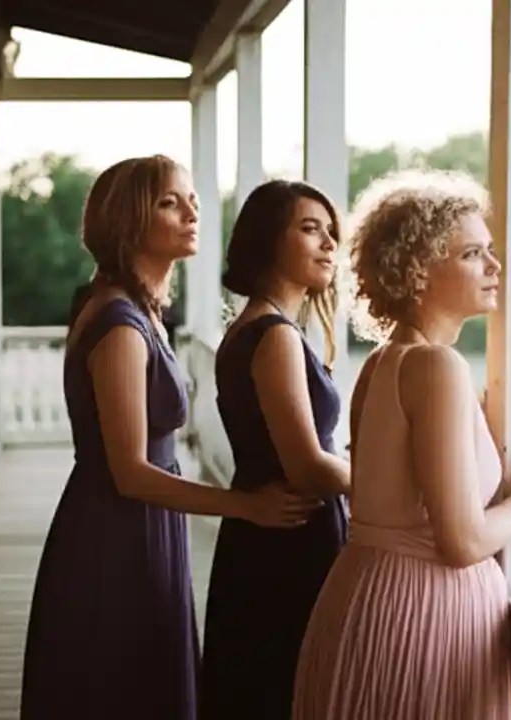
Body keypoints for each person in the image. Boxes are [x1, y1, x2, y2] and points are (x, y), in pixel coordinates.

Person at [20, 156, 305, 720]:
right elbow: (130, 470)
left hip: (142, 527)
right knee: (120, 686)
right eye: (170, 202)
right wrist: (243, 506)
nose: (192, 211)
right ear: (128, 221)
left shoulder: (136, 311)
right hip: (113, 536)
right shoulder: (120, 325)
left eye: (193, 199)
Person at [293, 170, 511, 719]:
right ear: (417, 271)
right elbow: (463, 541)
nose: (494, 267)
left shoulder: (382, 363)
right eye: (473, 253)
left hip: (366, 597)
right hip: (421, 613)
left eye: (490, 251)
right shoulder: (436, 366)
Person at [200, 180, 351, 719]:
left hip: (264, 535)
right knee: (284, 686)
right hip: (291, 542)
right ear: (267, 240)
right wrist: (393, 476)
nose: (330, 244)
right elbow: (307, 465)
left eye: (332, 232)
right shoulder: (275, 335)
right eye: (311, 229)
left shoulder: (253, 330)